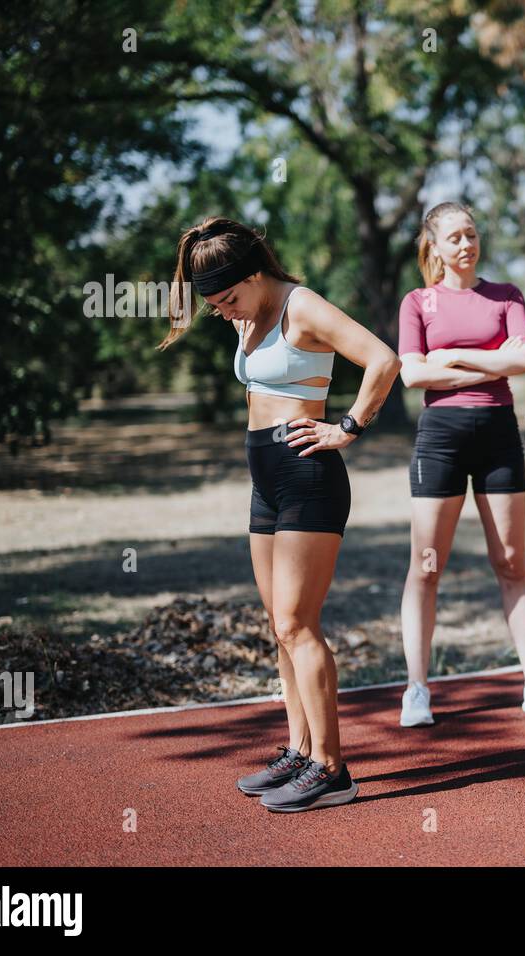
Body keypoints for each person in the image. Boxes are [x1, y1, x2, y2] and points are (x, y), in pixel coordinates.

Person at [159, 217, 400, 812]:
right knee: (278, 626)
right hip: (265, 478)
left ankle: (332, 769)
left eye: (229, 298)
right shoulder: (247, 313)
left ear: (257, 274)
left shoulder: (303, 307)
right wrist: (237, 318)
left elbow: (383, 359)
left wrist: (347, 426)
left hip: (307, 477)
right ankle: (299, 749)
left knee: (298, 623)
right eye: (213, 304)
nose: (223, 311)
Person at [394, 201, 525, 726]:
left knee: (512, 563)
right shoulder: (418, 302)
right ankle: (417, 690)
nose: (466, 245)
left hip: (498, 436)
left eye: (471, 234)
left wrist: (453, 359)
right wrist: (491, 362)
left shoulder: (506, 296)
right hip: (440, 439)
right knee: (427, 566)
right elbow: (411, 376)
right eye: (454, 238)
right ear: (435, 247)